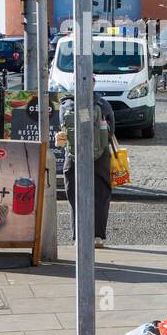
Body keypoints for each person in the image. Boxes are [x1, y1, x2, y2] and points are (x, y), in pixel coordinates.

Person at [56, 93, 115, 248]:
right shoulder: (103, 104)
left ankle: (78, 236)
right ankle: (98, 236)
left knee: (74, 195)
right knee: (101, 193)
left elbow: (62, 128)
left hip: (73, 156)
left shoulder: (65, 105)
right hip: (100, 155)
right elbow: (112, 129)